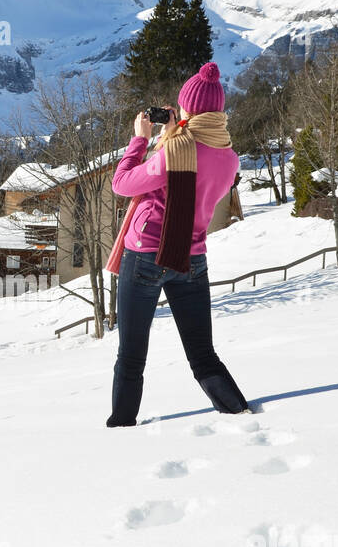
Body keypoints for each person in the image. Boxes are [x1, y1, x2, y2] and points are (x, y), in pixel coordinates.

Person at [106, 62, 250, 426]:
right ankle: (239, 413)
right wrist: (174, 133)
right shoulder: (230, 158)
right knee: (203, 354)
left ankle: (121, 427)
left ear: (189, 109)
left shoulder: (173, 152)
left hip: (146, 256)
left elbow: (122, 184)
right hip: (192, 259)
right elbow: (196, 172)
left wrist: (140, 139)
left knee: (132, 356)